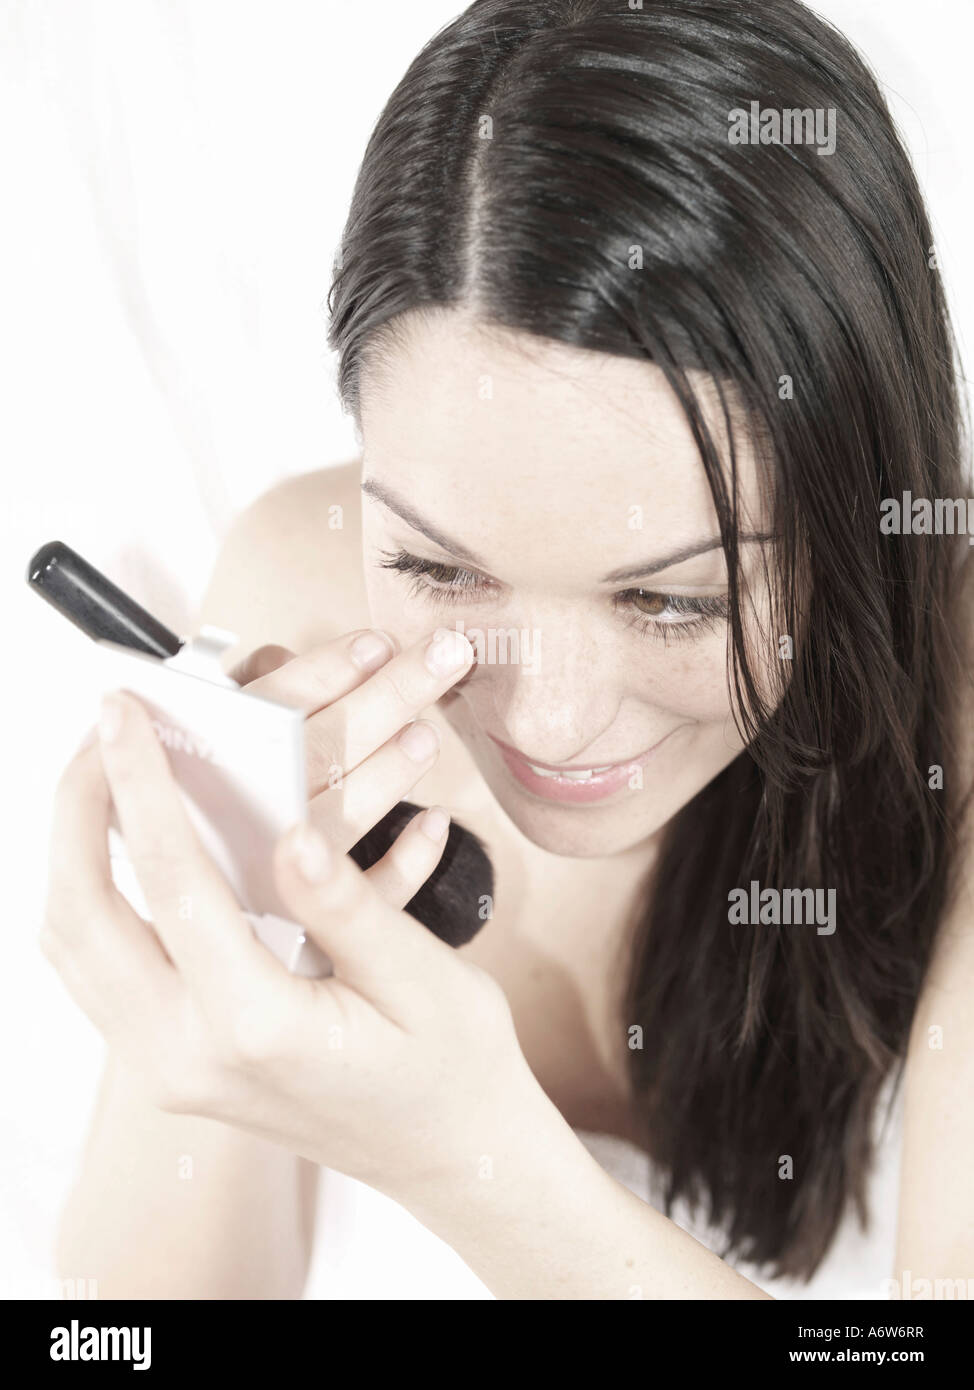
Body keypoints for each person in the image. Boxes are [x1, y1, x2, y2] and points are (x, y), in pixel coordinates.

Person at [46, 0, 974, 1299]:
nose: (545, 721)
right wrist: (215, 973)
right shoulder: (298, 599)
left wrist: (466, 1161)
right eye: (435, 566)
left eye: (671, 603)